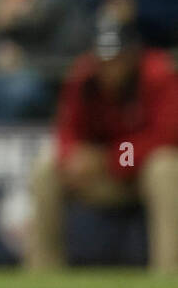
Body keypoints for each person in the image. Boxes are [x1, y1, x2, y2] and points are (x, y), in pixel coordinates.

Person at [26, 14, 178, 272]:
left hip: (142, 174)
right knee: (45, 168)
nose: (110, 67)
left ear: (132, 55)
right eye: (104, 60)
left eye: (117, 59)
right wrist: (71, 157)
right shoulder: (83, 75)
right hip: (101, 176)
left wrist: (111, 158)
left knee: (165, 167)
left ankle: (168, 272)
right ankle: (43, 272)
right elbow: (66, 129)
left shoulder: (157, 72)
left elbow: (167, 135)